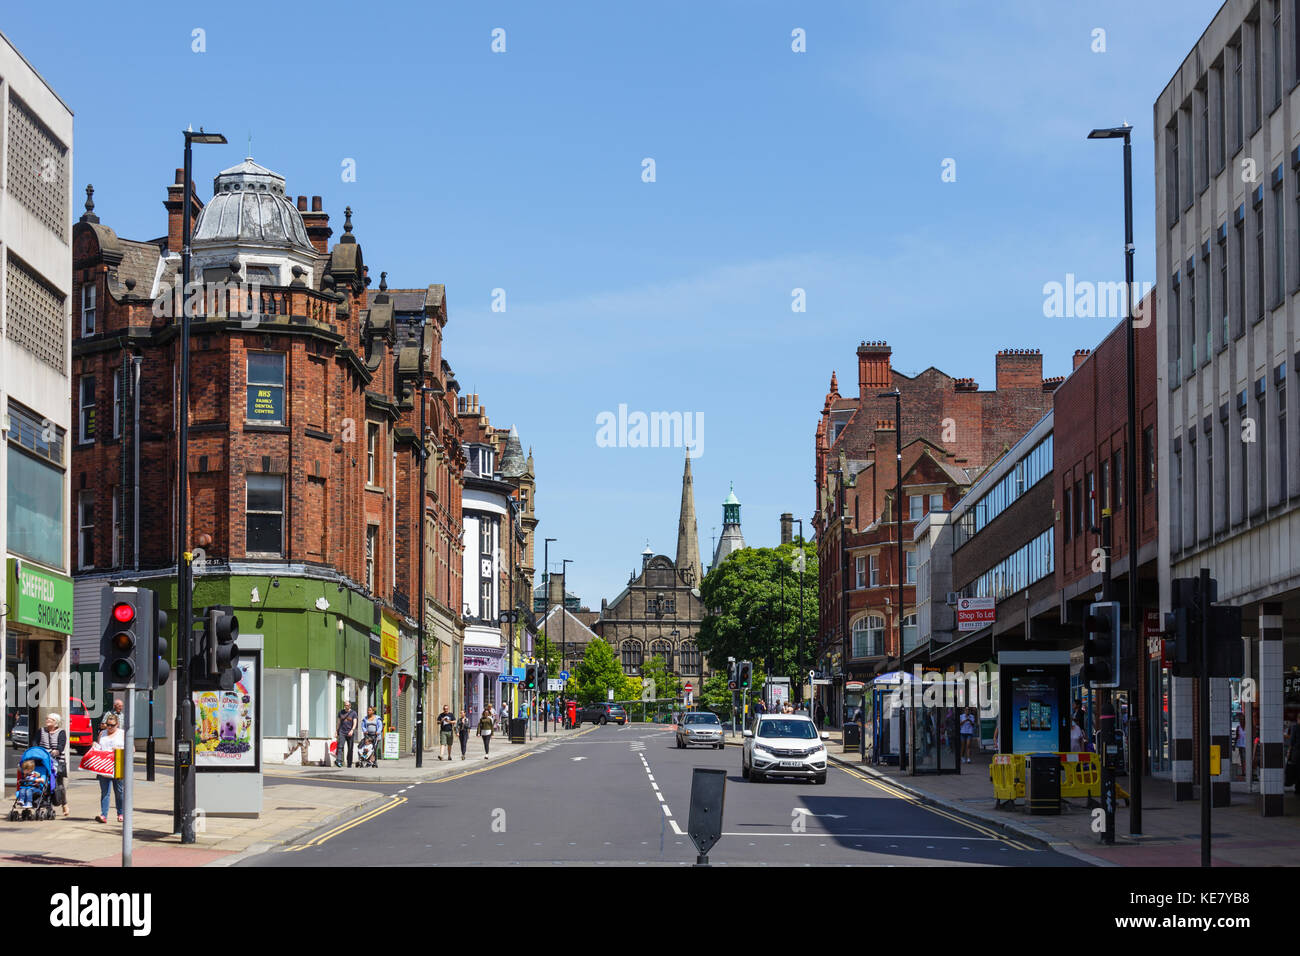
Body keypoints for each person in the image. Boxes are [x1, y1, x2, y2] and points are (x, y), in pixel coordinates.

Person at [38, 713, 69, 817]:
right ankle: (44, 802)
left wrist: (56, 751)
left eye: (50, 719)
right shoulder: (41, 731)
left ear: (55, 722)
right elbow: (34, 742)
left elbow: (61, 745)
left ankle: (64, 803)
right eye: (47, 719)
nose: (47, 721)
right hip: (43, 759)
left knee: (59, 784)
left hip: (57, 760)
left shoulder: (61, 732)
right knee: (42, 781)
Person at [96, 713, 125, 823]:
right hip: (103, 765)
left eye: (112, 725)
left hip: (117, 763)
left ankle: (120, 813)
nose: (109, 727)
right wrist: (95, 746)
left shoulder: (122, 733)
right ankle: (104, 815)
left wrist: (119, 749)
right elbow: (99, 747)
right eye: (108, 724)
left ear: (117, 725)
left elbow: (132, 749)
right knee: (105, 792)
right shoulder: (102, 733)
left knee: (119, 791)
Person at [335, 700, 357, 767]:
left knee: (350, 748)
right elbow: (338, 722)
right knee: (340, 747)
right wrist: (336, 731)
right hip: (342, 732)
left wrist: (352, 730)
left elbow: (355, 722)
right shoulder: (341, 712)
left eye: (347, 705)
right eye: (345, 705)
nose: (346, 706)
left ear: (350, 705)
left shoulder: (353, 713)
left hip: (350, 732)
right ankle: (339, 761)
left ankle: (349, 763)